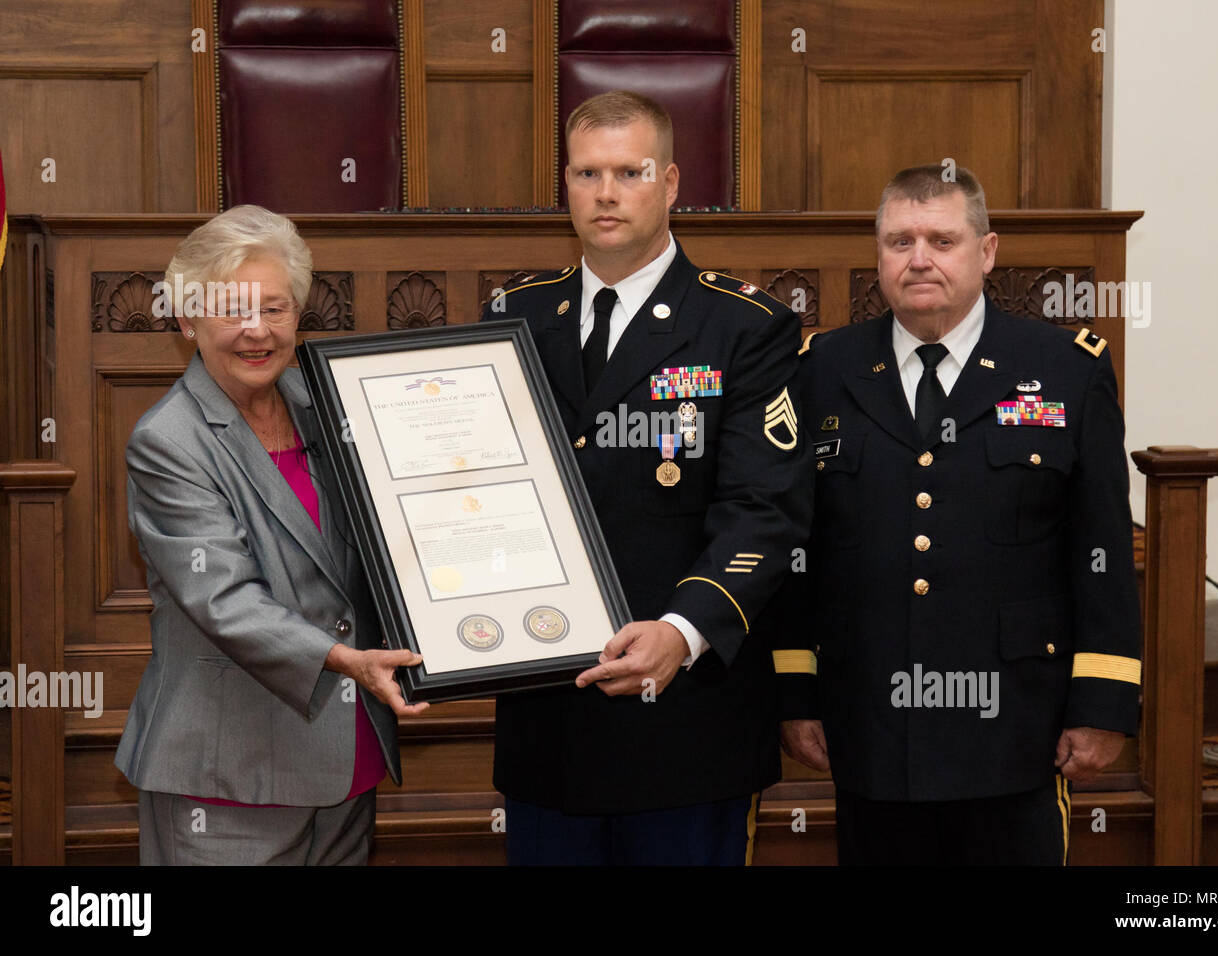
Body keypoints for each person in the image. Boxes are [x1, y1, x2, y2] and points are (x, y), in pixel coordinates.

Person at [768, 164, 1142, 865]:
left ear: (987, 251)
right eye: (898, 241)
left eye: (941, 240)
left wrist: (1103, 703)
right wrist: (797, 690)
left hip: (1016, 726)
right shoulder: (822, 370)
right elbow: (797, 550)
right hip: (870, 723)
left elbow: (1101, 547)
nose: (919, 260)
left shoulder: (1065, 368)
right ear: (877, 254)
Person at [480, 91, 811, 865]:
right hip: (548, 719)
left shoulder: (744, 326)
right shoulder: (514, 315)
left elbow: (765, 511)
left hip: (688, 722)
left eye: (628, 171)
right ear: (565, 183)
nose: (605, 192)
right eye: (586, 173)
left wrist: (683, 630)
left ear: (669, 182)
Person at [115, 205, 428, 865]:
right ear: (187, 319)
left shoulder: (329, 401)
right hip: (230, 778)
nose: (257, 332)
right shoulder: (169, 441)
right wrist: (348, 661)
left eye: (276, 309)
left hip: (346, 759)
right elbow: (222, 600)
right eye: (232, 309)